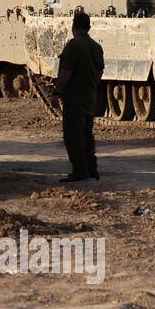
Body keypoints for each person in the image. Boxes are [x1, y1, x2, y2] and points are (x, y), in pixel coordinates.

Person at [56, 10, 105, 183]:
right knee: (87, 134)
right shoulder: (96, 47)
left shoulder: (73, 46)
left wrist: (58, 90)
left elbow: (66, 72)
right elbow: (99, 72)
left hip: (74, 98)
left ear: (73, 27)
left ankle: (80, 170)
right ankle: (92, 169)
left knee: (73, 135)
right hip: (89, 97)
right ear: (89, 27)